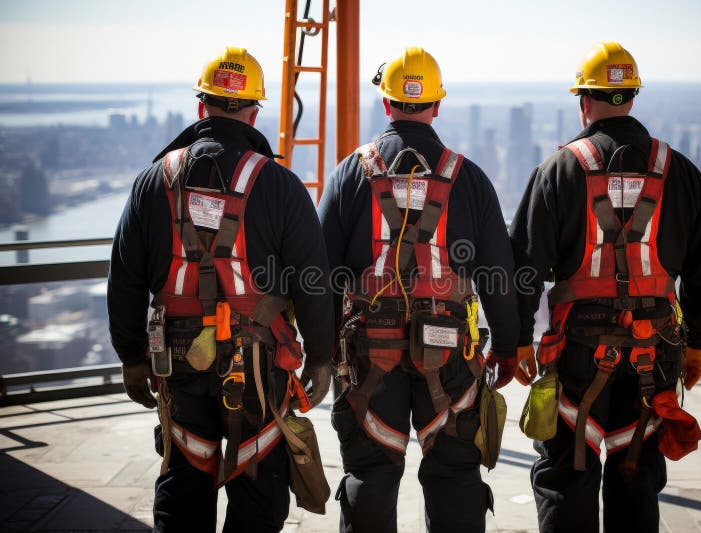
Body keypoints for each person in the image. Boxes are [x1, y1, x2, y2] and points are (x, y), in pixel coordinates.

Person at [107, 46, 335, 532]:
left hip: (178, 359)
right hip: (256, 368)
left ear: (200, 107)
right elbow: (313, 280)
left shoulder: (154, 183)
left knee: (184, 481)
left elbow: (124, 278)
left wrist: (131, 356)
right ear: (255, 111)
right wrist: (320, 356)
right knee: (257, 486)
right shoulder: (279, 184)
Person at [510, 41, 701, 532]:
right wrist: (696, 344)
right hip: (656, 352)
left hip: (577, 354)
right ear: (631, 98)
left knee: (568, 476)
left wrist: (518, 338)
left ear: (584, 100)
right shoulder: (680, 172)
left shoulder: (559, 171)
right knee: (636, 476)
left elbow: (524, 266)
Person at [317, 46, 520, 532]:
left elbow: (320, 273)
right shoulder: (467, 178)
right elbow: (500, 273)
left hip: (369, 356)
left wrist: (319, 353)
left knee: (370, 473)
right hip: (449, 358)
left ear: (385, 104)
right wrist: (510, 347)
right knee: (454, 477)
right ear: (437, 104)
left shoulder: (350, 174)